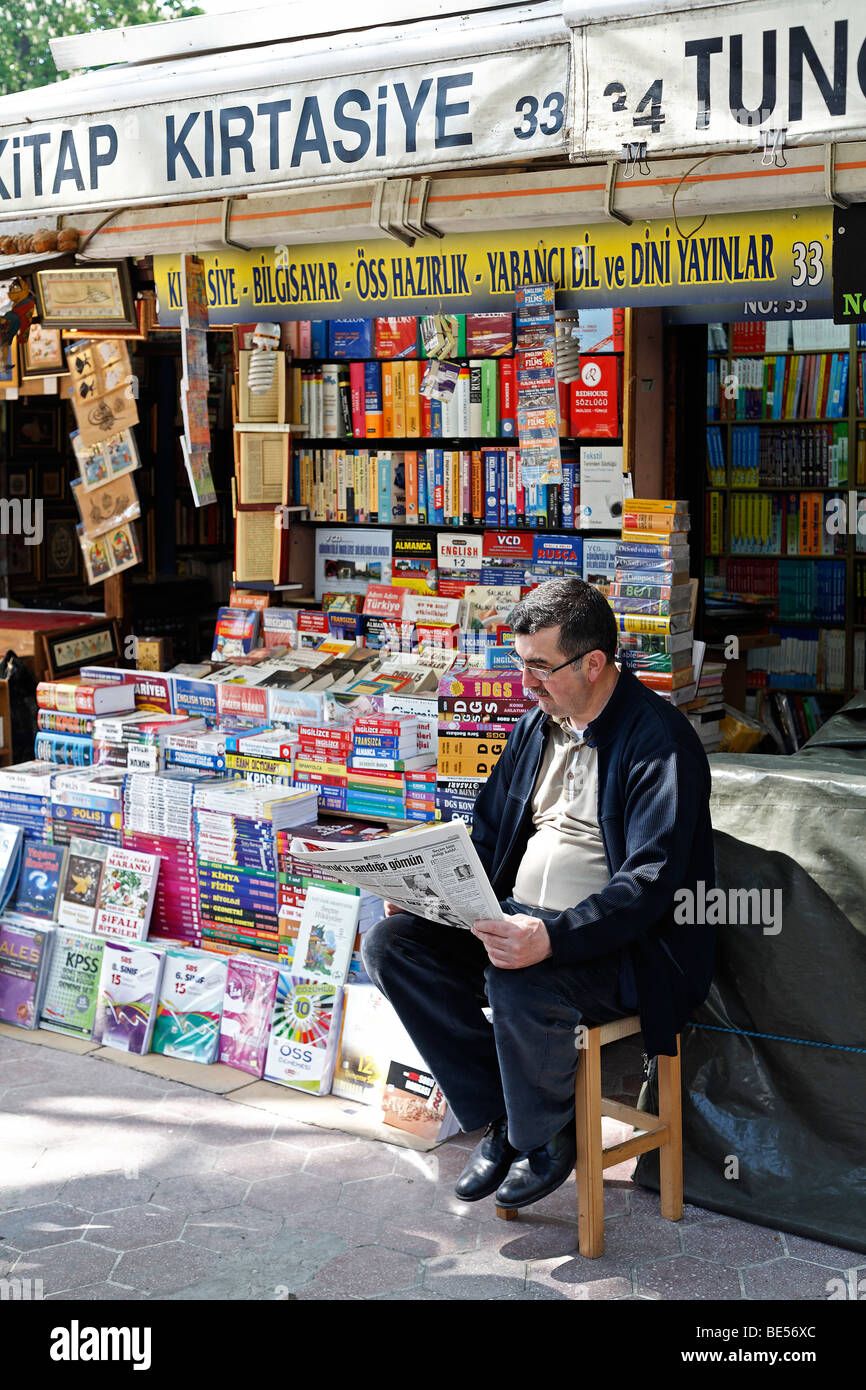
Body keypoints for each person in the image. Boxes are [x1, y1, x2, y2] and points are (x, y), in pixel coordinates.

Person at [362, 578, 716, 1210]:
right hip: (525, 921)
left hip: (627, 947)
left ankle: (542, 1133)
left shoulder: (659, 741)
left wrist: (552, 936)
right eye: (519, 664)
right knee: (394, 945)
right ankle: (510, 1113)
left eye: (539, 667)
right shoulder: (538, 726)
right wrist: (431, 894)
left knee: (520, 972)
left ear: (594, 662)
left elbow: (650, 881)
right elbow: (490, 830)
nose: (525, 682)